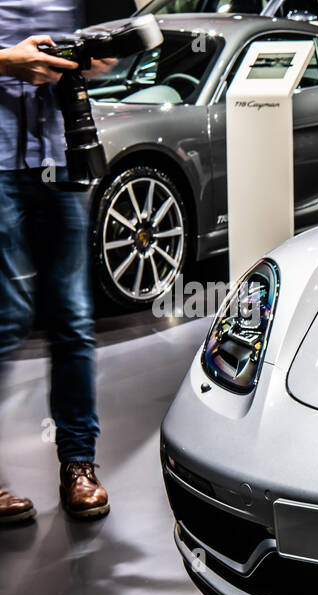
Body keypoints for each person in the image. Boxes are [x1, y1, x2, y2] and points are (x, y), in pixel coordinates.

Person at [0, 0, 109, 525]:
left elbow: (101, 41)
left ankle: (78, 465)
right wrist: (5, 61)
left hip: (60, 152)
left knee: (73, 318)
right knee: (7, 319)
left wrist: (96, 56)